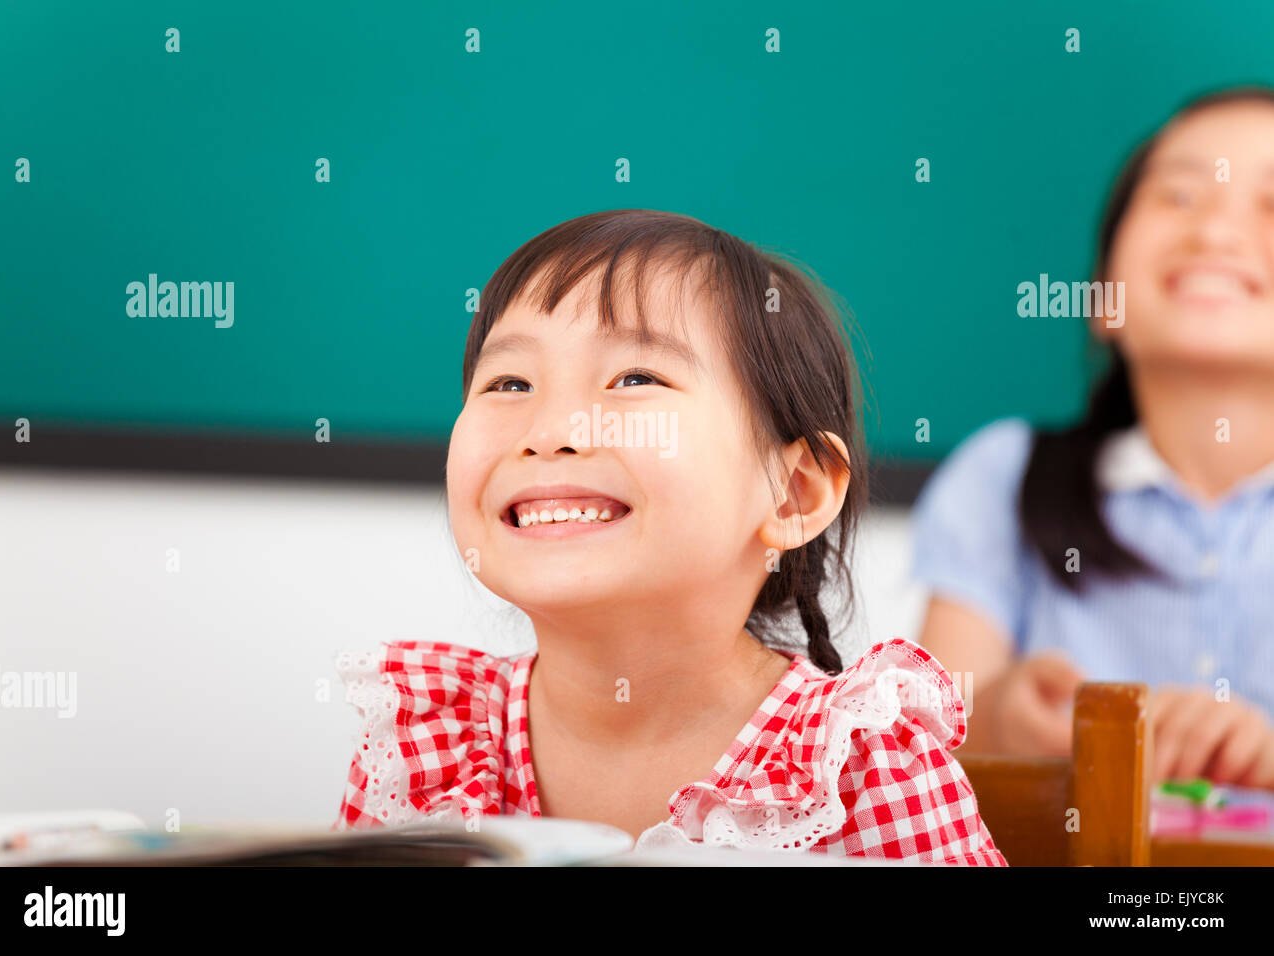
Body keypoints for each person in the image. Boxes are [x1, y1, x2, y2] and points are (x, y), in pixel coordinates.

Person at [332, 209, 1005, 863]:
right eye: (510, 382)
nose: (551, 432)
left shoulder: (864, 769)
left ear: (794, 491)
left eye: (634, 379)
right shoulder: (425, 748)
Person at [913, 87, 1274, 791]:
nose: (1215, 235)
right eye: (1178, 197)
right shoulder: (1002, 476)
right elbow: (921, 749)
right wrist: (1002, 717)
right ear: (1105, 298)